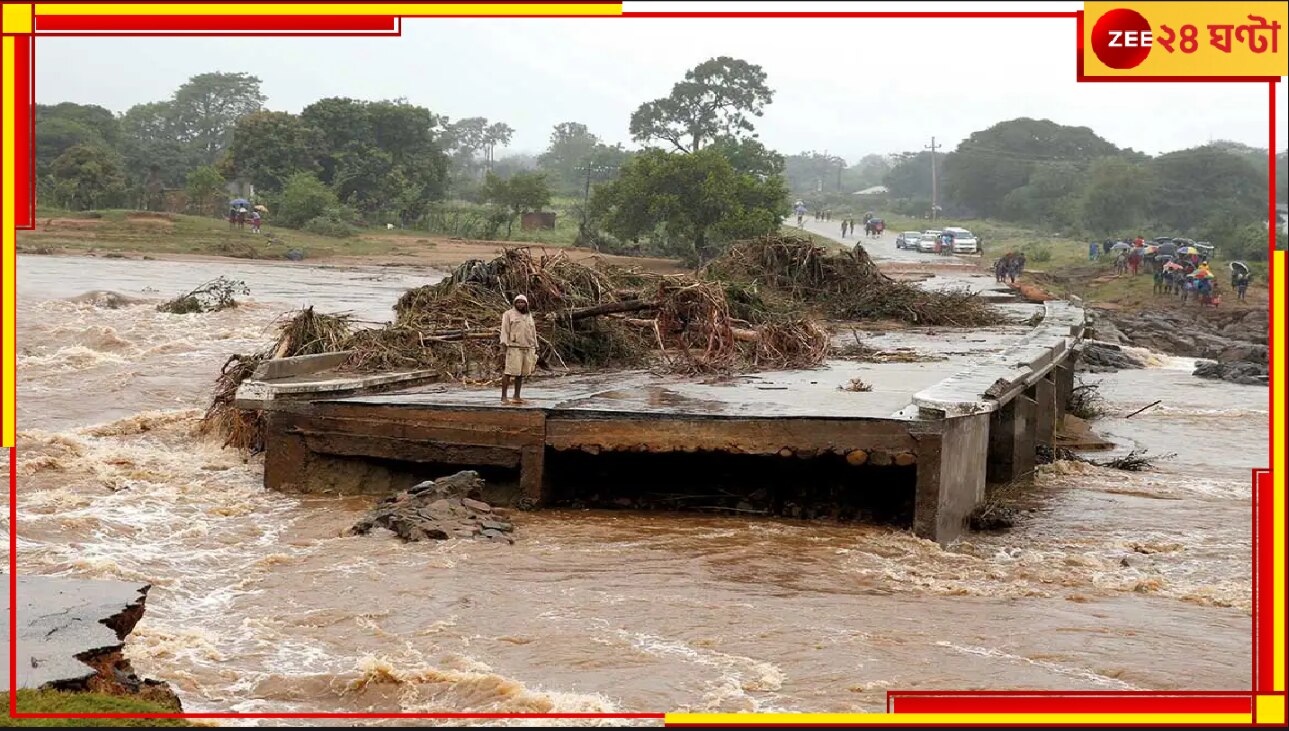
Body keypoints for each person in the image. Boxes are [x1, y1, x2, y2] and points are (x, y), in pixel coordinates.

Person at [500, 295, 538, 404]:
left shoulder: (528, 315)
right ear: (514, 303)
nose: (520, 304)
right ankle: (504, 397)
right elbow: (504, 329)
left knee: (521, 373)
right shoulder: (508, 314)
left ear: (526, 304)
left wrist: (535, 345)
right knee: (509, 371)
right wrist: (504, 344)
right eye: (518, 302)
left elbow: (533, 331)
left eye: (522, 302)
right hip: (514, 347)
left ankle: (517, 396)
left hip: (527, 347)